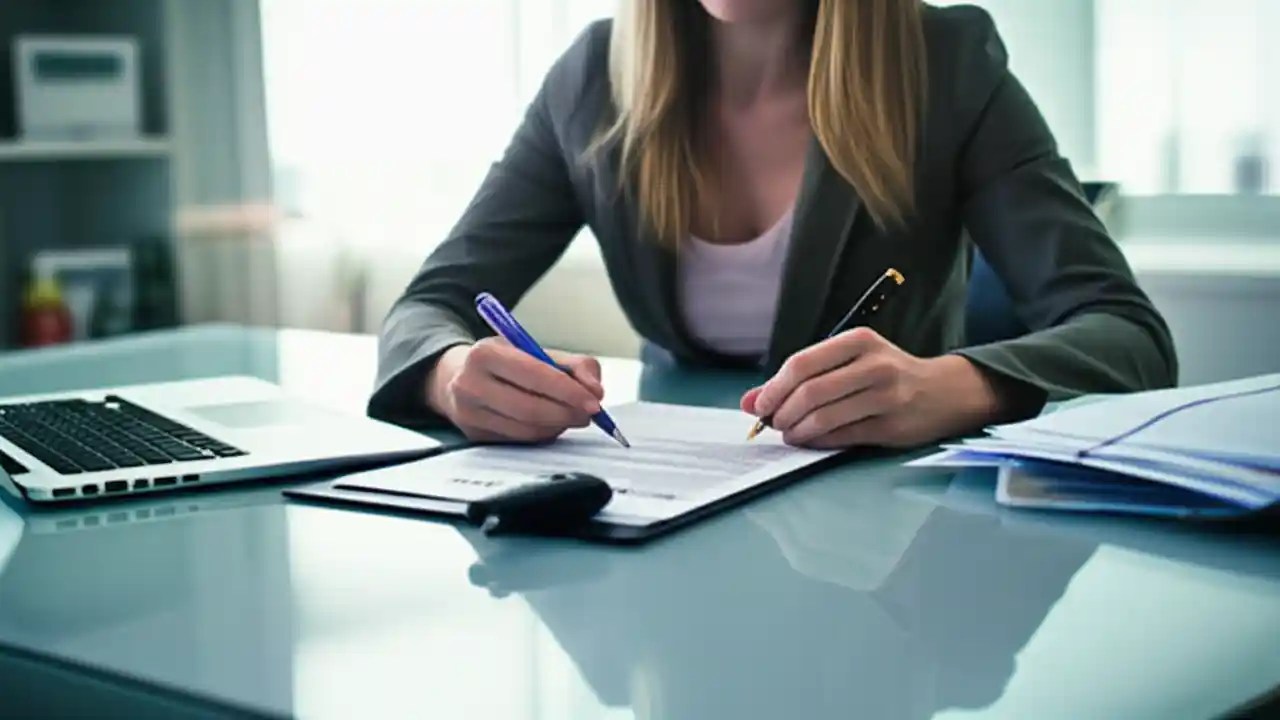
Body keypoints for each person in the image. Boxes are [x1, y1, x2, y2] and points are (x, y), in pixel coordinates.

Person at [369, 0, 1177, 449]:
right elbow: (428, 308)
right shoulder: (592, 78)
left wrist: (952, 387)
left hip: (896, 533)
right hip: (667, 497)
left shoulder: (946, 60)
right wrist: (450, 377)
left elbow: (1128, 336)